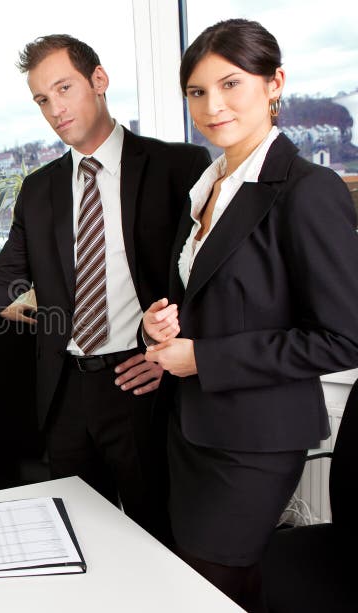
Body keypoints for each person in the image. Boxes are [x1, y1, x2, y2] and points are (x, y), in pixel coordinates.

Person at [0, 34, 210, 543]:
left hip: (143, 386)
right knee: (75, 535)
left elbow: (205, 278)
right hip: (66, 395)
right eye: (41, 99)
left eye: (64, 88)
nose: (55, 109)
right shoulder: (39, 190)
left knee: (156, 534)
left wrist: (168, 350)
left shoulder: (179, 167)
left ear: (98, 81)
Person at [141, 19, 358, 611]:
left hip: (254, 442)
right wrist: (162, 323)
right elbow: (214, 295)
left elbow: (345, 337)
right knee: (225, 583)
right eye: (197, 92)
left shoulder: (307, 189)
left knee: (207, 586)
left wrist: (202, 357)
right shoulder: (207, 186)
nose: (213, 106)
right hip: (191, 428)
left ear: (274, 84)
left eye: (230, 84)